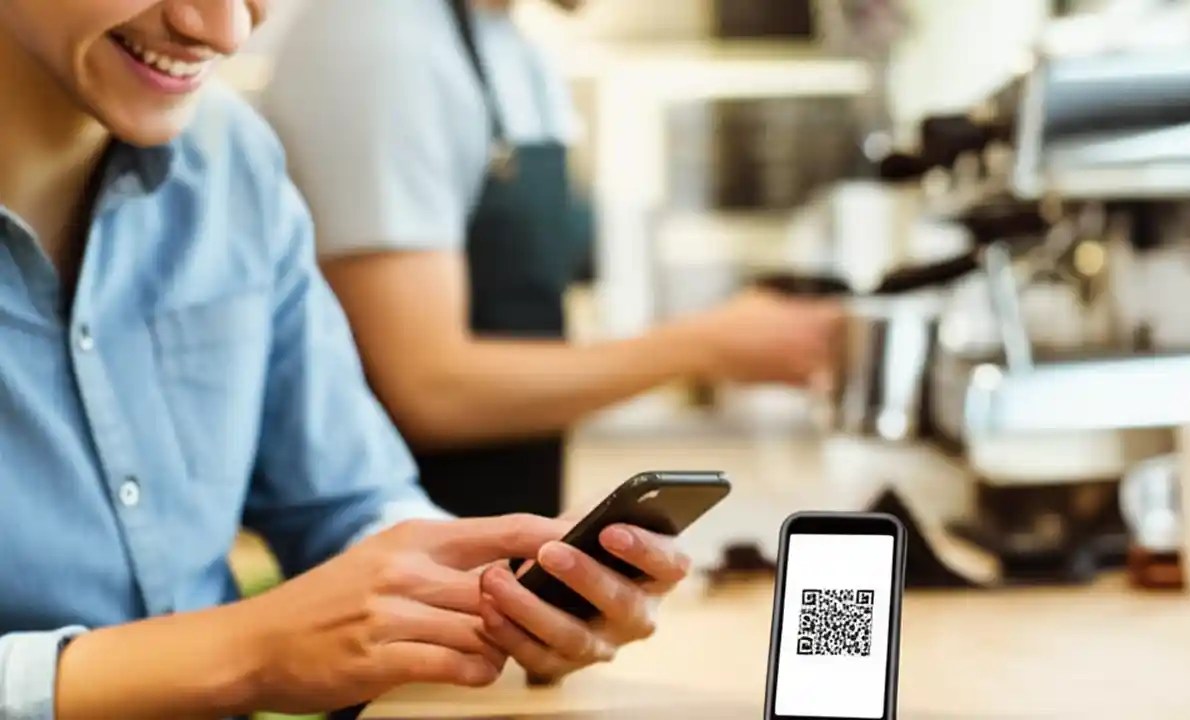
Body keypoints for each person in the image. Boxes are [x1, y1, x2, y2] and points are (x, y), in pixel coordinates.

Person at [0, 2, 690, 718]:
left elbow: (346, 500)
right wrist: (242, 652)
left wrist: (491, 593)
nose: (226, 30)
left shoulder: (233, 167)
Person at [262, 0, 842, 520]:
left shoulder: (514, 50)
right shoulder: (378, 38)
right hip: (391, 557)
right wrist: (705, 345)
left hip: (494, 536)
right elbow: (427, 389)